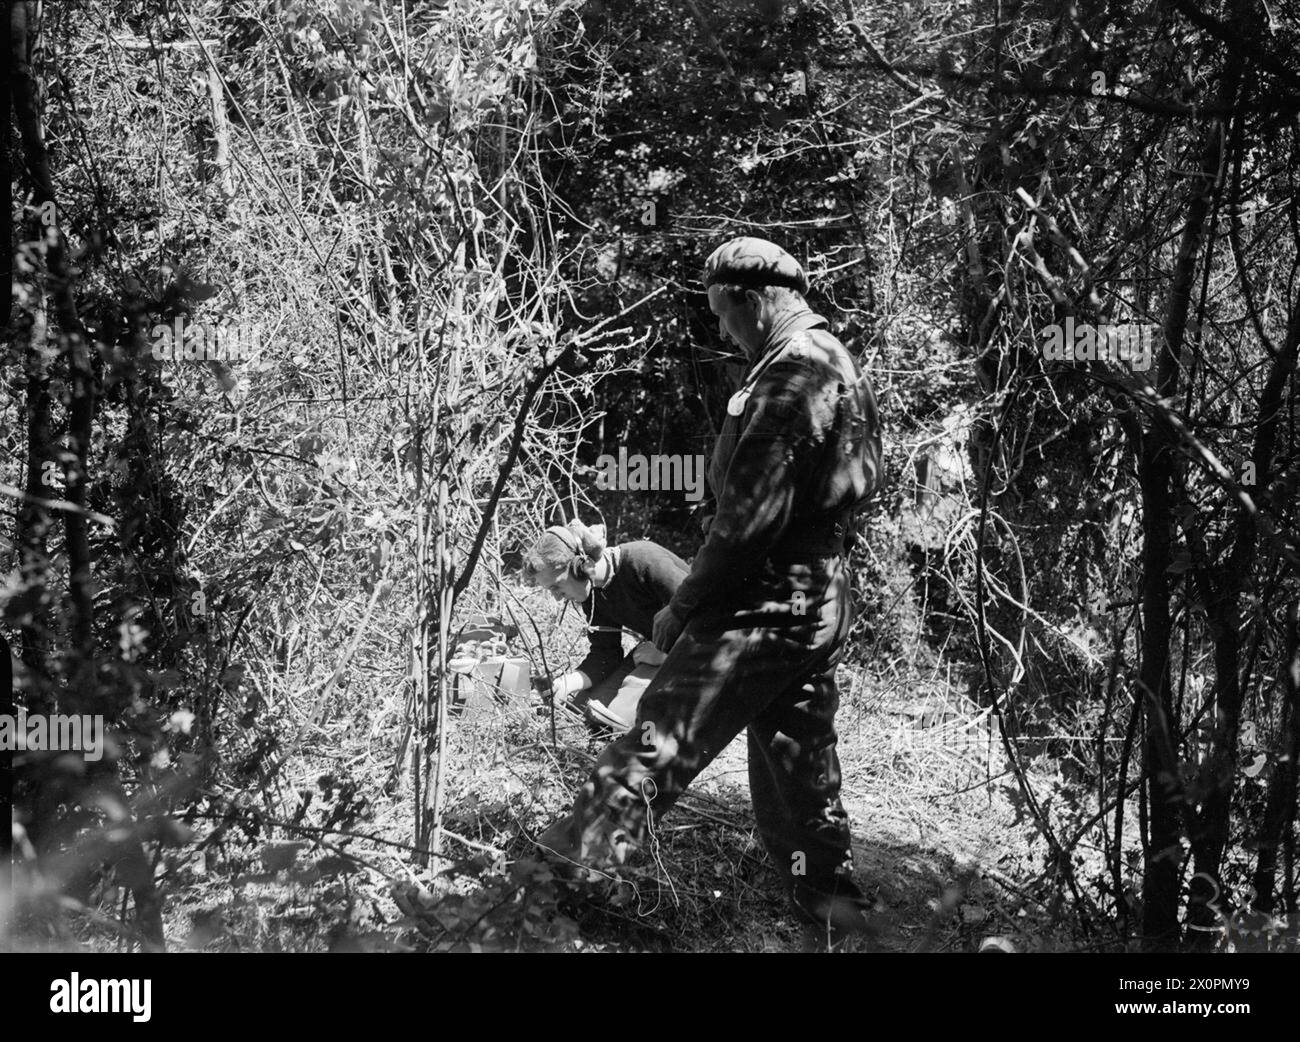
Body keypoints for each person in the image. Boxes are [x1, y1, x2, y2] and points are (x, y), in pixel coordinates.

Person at [536, 237, 883, 941]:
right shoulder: (838, 361)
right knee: (797, 749)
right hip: (819, 596)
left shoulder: (789, 379)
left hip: (765, 600)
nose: (722, 331)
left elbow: (747, 524)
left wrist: (684, 606)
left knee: (658, 734)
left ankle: (565, 886)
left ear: (752, 302)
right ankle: (827, 897)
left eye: (724, 315)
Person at [521, 520, 689, 734]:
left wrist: (664, 655)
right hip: (657, 650)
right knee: (581, 713)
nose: (556, 597)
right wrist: (565, 684)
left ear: (579, 566)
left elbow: (706, 617)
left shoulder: (644, 561)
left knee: (616, 719)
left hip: (694, 651)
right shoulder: (592, 594)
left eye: (557, 586)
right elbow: (605, 654)